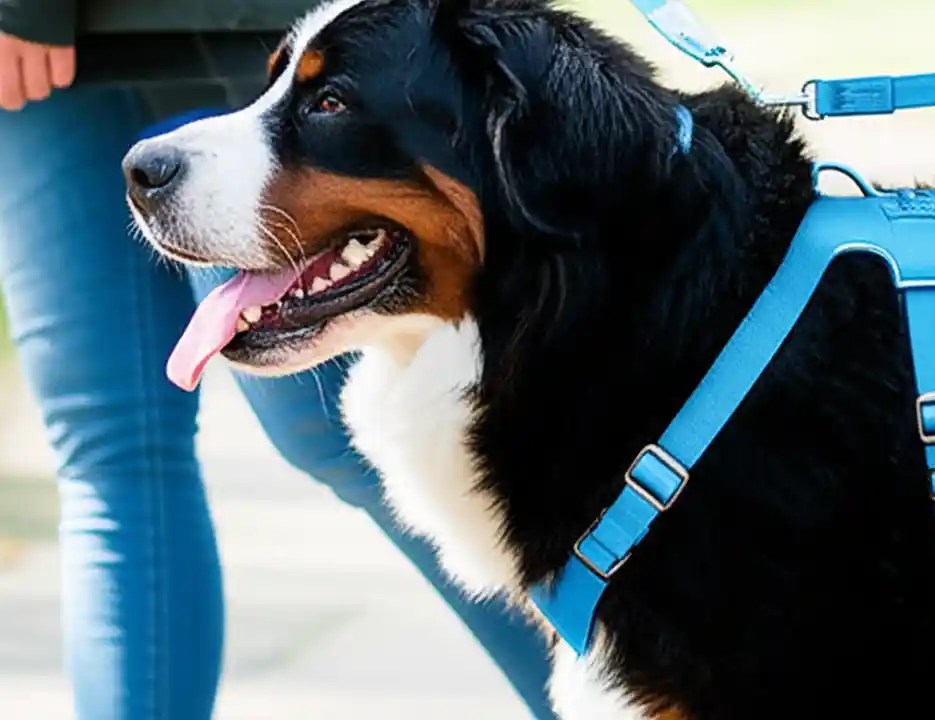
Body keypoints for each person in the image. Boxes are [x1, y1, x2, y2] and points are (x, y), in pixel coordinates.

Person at [0, 2, 554, 718]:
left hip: (243, 24)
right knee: (104, 444)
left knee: (331, 428)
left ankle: (625, 682)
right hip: (35, 56)